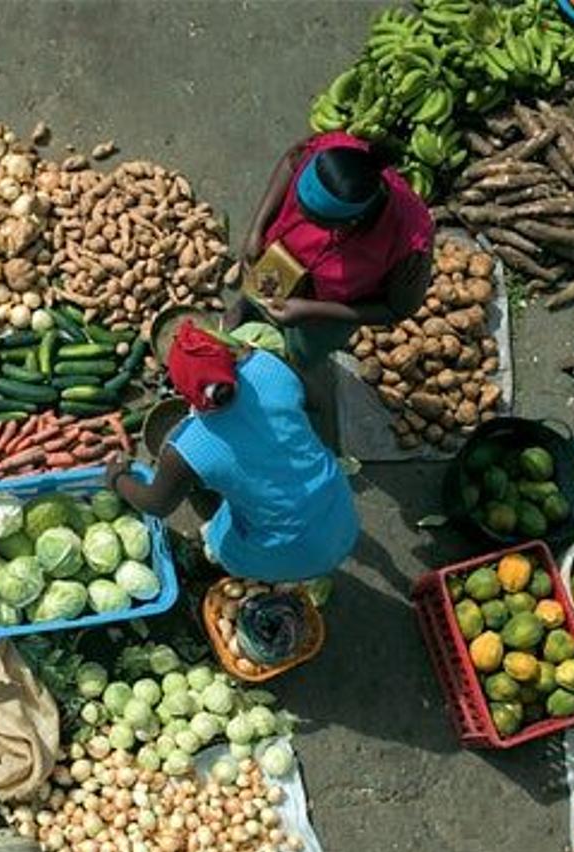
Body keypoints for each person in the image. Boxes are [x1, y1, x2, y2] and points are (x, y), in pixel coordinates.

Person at [105, 321, 358, 583]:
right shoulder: (268, 367)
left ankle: (213, 559)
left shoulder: (188, 447)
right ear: (228, 359)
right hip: (341, 513)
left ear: (184, 394)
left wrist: (116, 479)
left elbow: (156, 504)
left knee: (221, 540)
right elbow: (316, 401)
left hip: (290, 552)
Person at [225, 131, 435, 369]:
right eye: (299, 204)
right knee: (260, 289)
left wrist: (312, 310)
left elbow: (398, 308)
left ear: (351, 222)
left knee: (302, 353)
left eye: (314, 219)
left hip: (333, 306)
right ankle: (248, 307)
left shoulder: (408, 238)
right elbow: (289, 163)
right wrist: (257, 228)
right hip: (282, 261)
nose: (301, 217)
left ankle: (293, 363)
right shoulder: (331, 152)